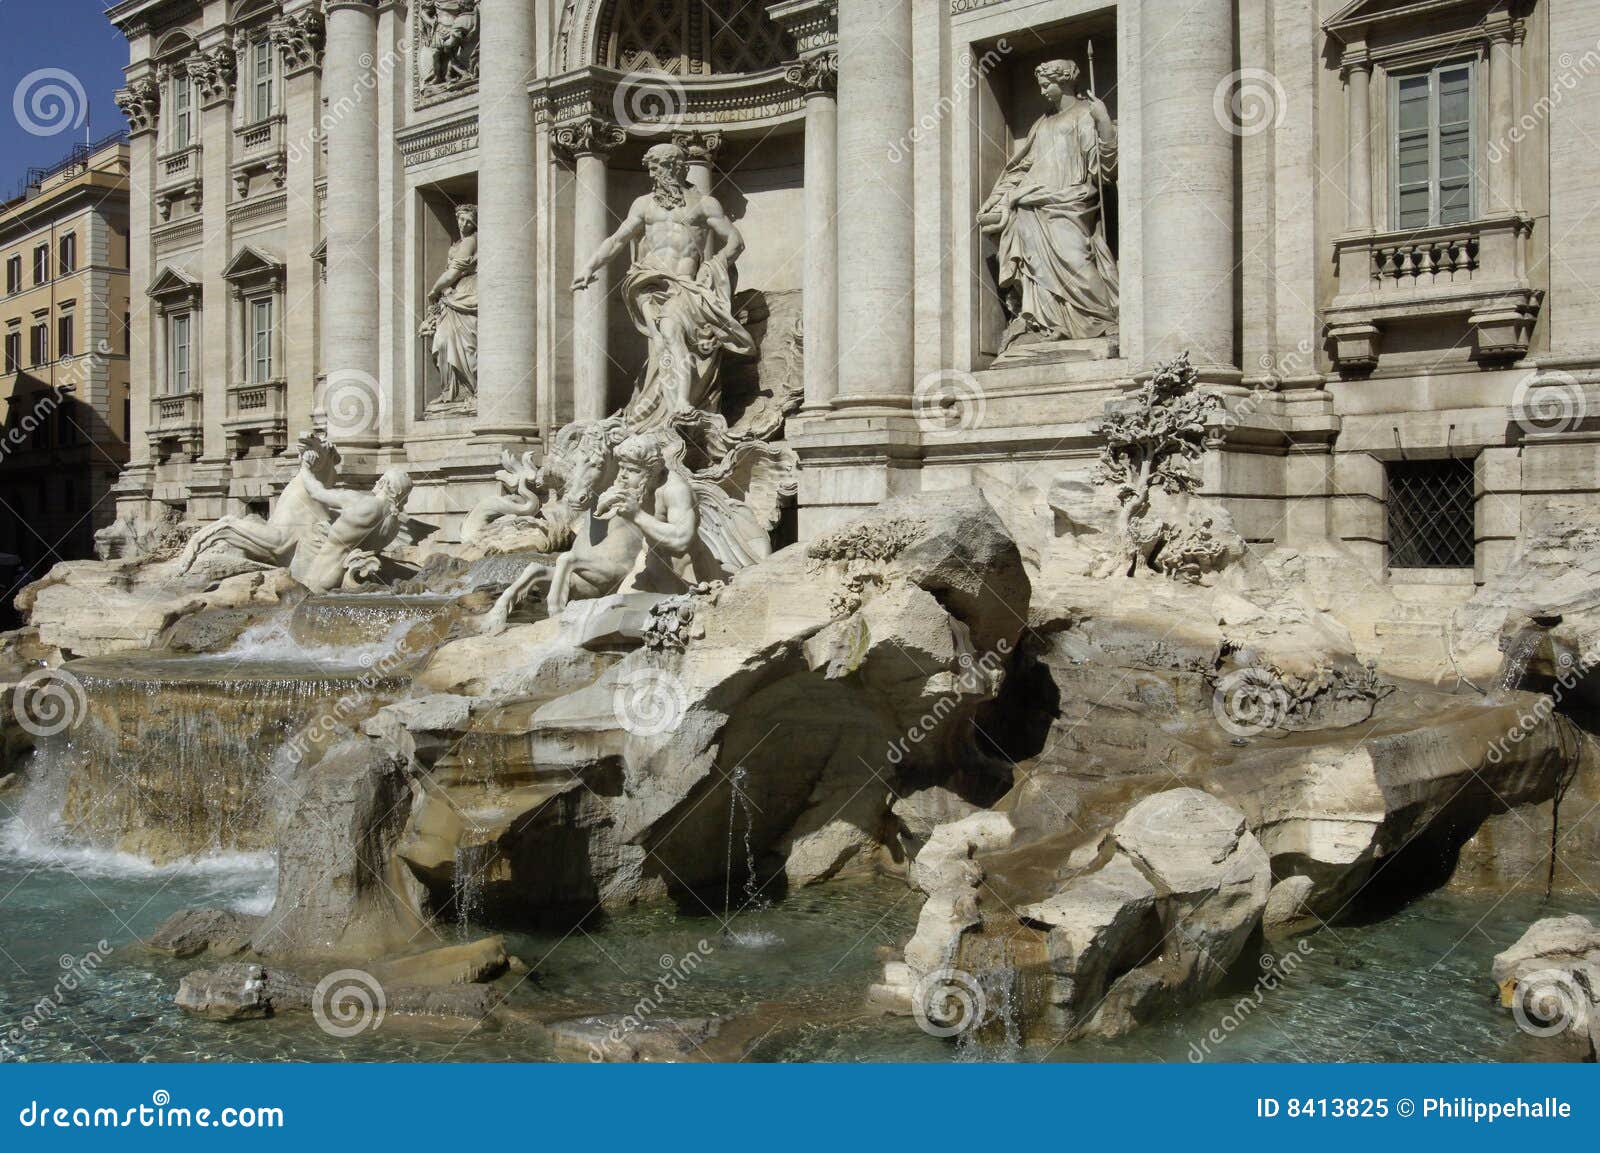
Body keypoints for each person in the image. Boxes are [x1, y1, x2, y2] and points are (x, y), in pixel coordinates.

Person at [572, 142, 755, 428]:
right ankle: (670, 406)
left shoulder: (705, 204)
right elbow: (618, 240)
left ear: (675, 166)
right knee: (662, 342)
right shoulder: (643, 204)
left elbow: (736, 242)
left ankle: (675, 405)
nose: (653, 174)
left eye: (657, 167)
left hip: (683, 284)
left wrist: (713, 266)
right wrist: (589, 267)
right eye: (651, 168)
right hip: (647, 281)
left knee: (669, 334)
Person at [979, 59, 1119, 349]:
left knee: (1076, 259)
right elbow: (1021, 169)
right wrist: (995, 200)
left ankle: (1105, 318)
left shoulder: (1084, 114)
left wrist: (1103, 120)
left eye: (1046, 85)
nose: (1042, 92)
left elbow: (1105, 166)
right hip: (1032, 204)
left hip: (1071, 200)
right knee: (1036, 265)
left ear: (1065, 81)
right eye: (1040, 86)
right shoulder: (1041, 123)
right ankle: (1051, 323)